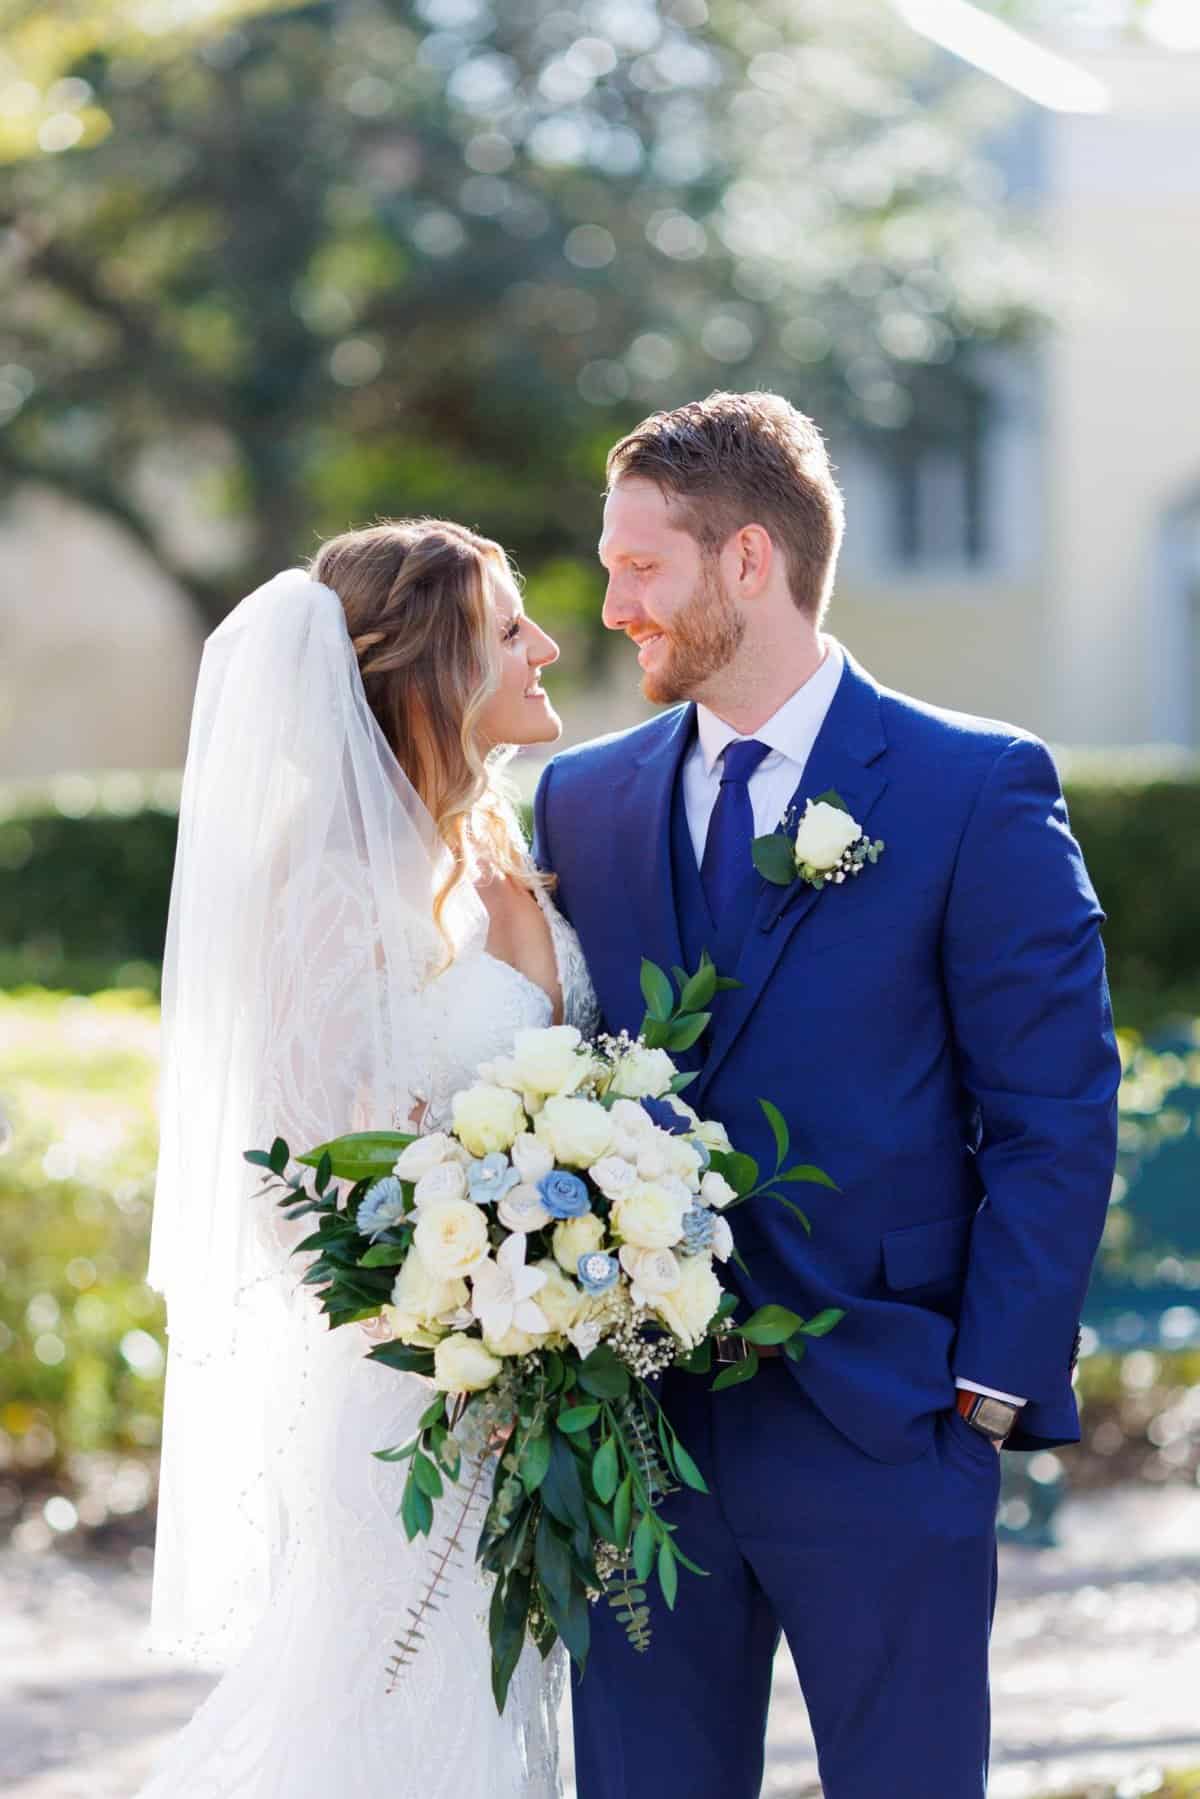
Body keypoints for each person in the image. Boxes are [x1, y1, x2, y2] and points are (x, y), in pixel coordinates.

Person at [534, 391, 1121, 1799]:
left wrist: (987, 1386)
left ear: (749, 560)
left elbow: (1056, 1102)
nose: (611, 606)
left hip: (889, 1416)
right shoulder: (581, 801)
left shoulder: (971, 783)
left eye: (640, 566)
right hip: (638, 1433)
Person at [139, 521, 596, 1798]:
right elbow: (309, 1198)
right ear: (427, 668)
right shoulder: (327, 893)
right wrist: (498, 1300)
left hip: (549, 1406)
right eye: (511, 628)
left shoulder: (496, 851)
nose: (548, 645)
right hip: (415, 1416)